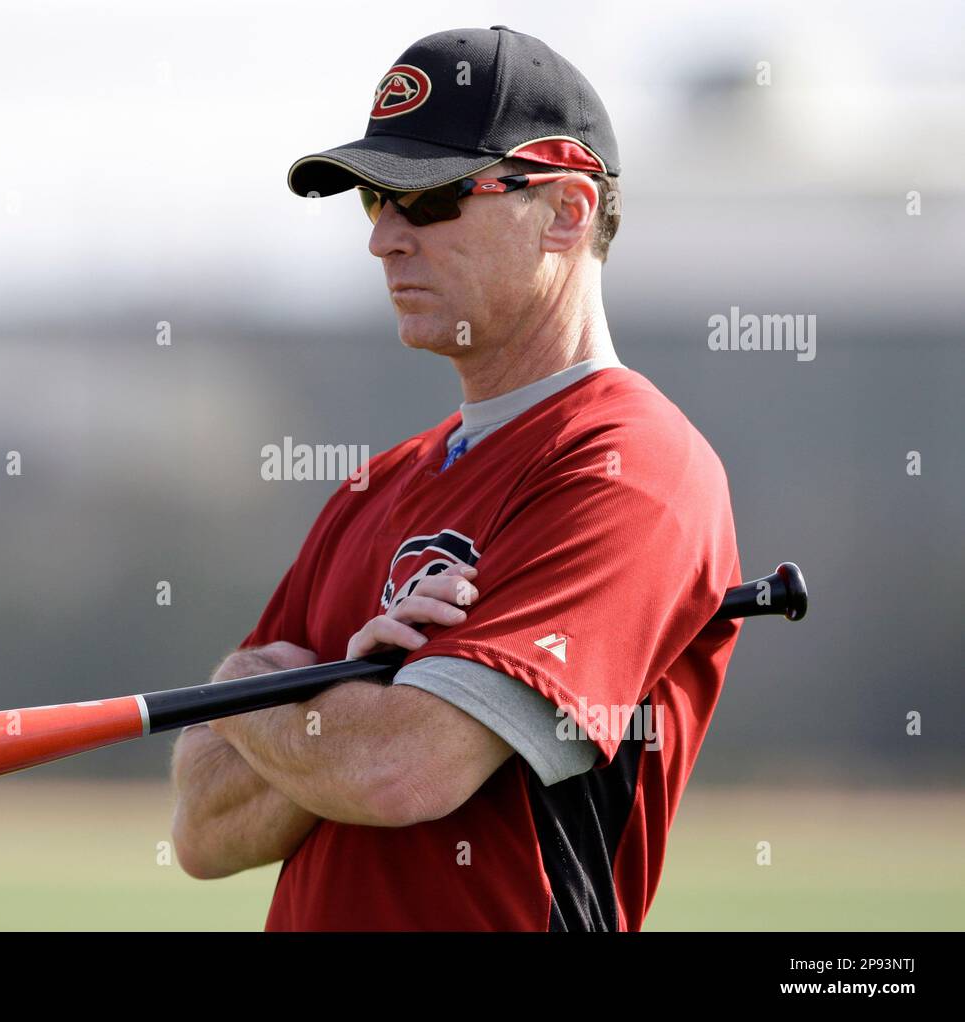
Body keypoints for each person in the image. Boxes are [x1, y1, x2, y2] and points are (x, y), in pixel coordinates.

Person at [170, 26, 742, 931]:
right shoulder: (373, 488)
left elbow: (403, 770)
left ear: (565, 210)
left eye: (429, 198)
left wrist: (267, 686)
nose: (385, 240)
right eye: (372, 200)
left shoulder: (632, 469)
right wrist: (343, 695)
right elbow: (204, 826)